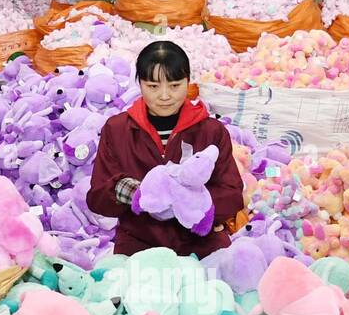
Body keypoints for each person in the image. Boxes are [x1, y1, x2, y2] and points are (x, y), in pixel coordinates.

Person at [87, 40, 245, 257]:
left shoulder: (211, 131)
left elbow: (233, 195)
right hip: (139, 243)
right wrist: (133, 193)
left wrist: (192, 204)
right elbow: (97, 197)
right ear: (140, 83)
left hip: (200, 242)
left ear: (188, 82)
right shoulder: (117, 130)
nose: (164, 96)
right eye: (153, 86)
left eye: (174, 85)